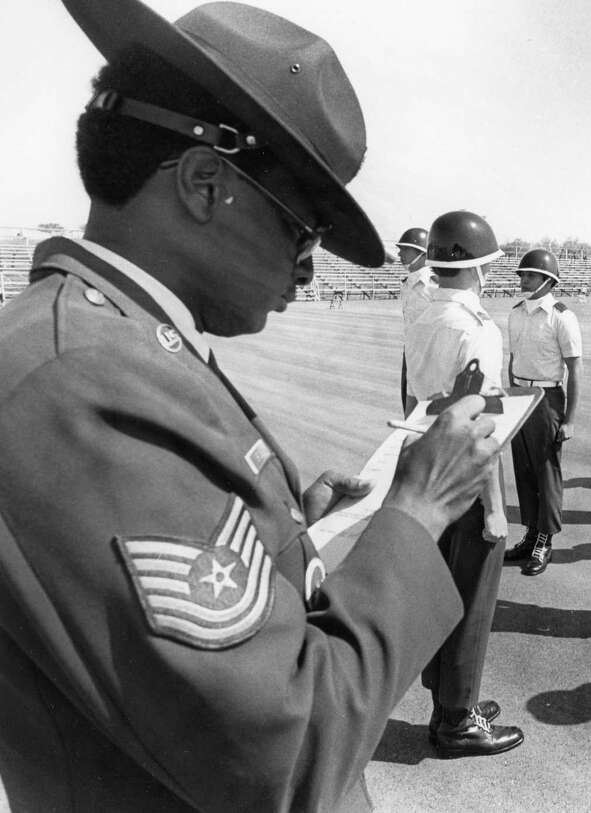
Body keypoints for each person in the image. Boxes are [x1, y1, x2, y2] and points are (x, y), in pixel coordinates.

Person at [0, 2, 502, 809]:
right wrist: (417, 510)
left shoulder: (113, 341)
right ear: (204, 183)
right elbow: (289, 748)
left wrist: (277, 533)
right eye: (302, 227)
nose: (307, 267)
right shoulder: (81, 383)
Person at [404, 210, 525, 757]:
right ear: (480, 270)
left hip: (429, 467)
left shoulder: (423, 316)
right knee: (471, 598)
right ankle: (457, 720)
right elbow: (484, 424)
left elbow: (414, 400)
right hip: (467, 475)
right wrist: (495, 506)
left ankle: (448, 701)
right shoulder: (478, 327)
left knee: (441, 588)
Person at [501, 248, 584, 576]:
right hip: (520, 393)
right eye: (522, 274)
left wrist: (571, 419)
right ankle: (530, 533)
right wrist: (510, 398)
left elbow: (575, 369)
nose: (523, 279)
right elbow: (513, 359)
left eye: (531, 275)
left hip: (547, 396)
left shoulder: (561, 316)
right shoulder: (516, 312)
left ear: (548, 280)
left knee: (546, 471)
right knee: (523, 469)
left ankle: (545, 540)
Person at [397, 225, 435, 408]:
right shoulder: (407, 284)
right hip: (411, 353)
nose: (399, 254)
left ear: (422, 253)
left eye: (405, 249)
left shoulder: (435, 286)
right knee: (408, 409)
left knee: (427, 412)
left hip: (432, 356)